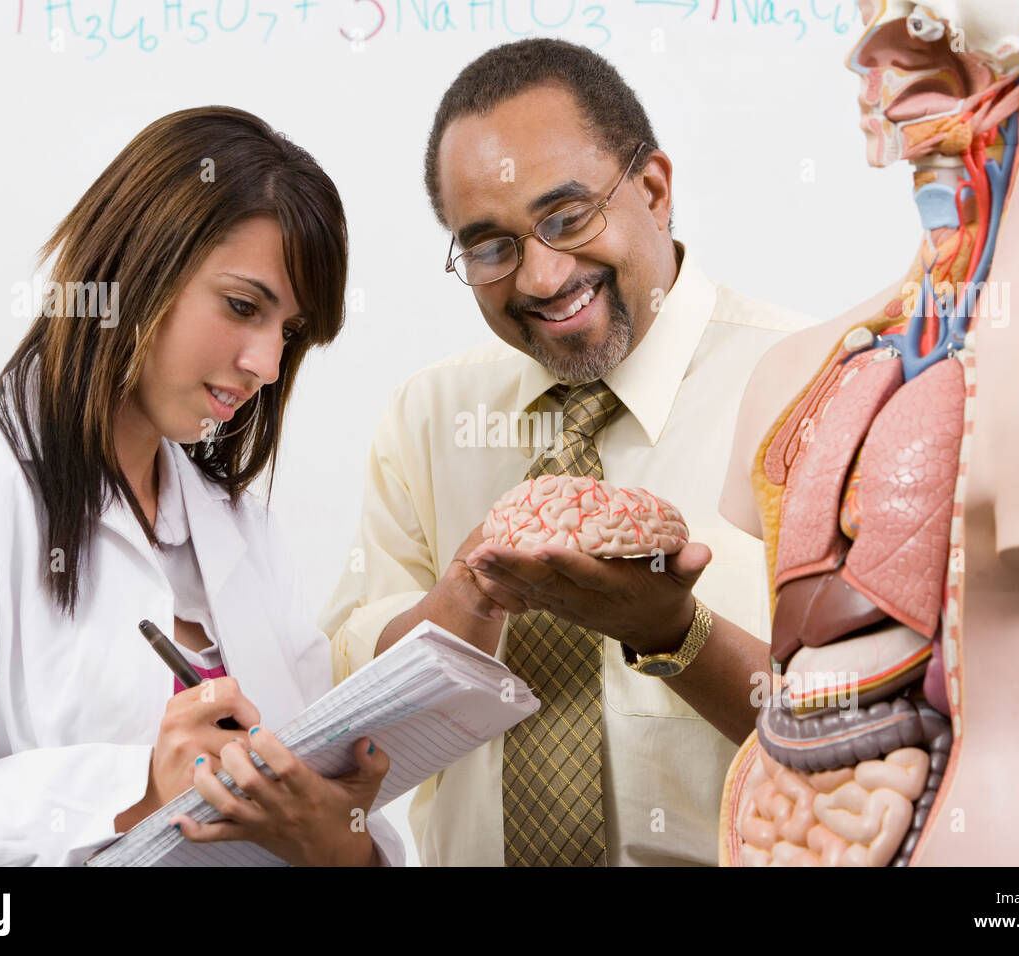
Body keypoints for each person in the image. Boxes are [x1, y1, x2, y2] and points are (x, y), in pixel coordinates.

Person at [0, 106, 401, 866]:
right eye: (243, 307)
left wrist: (345, 841)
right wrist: (138, 786)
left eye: (289, 332)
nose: (268, 365)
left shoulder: (239, 529)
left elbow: (306, 777)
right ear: (132, 269)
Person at [320, 39, 809, 866]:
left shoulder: (808, 389)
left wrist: (673, 633)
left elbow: (877, 743)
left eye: (569, 217)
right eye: (490, 246)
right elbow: (351, 730)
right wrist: (463, 603)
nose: (542, 277)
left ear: (653, 190)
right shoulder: (430, 416)